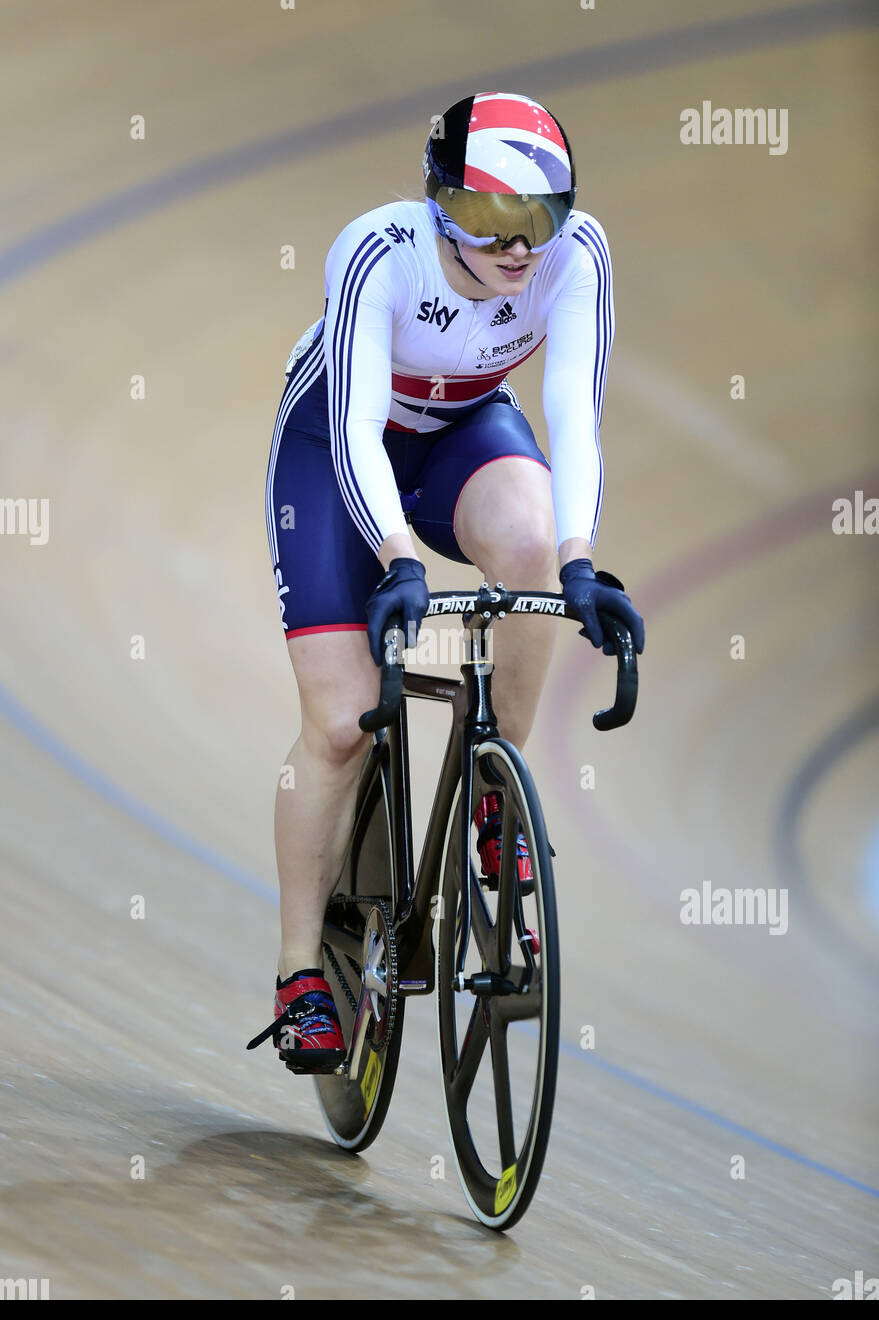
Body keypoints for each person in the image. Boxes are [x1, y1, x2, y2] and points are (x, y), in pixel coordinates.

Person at [248, 91, 645, 1072]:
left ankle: (493, 789)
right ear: (438, 208)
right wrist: (397, 555)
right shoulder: (378, 253)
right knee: (341, 725)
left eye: (539, 222)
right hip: (337, 451)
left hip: (466, 435)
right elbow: (350, 430)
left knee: (533, 544)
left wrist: (580, 562)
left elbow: (574, 418)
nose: (520, 250)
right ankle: (301, 969)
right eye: (491, 224)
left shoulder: (578, 255)